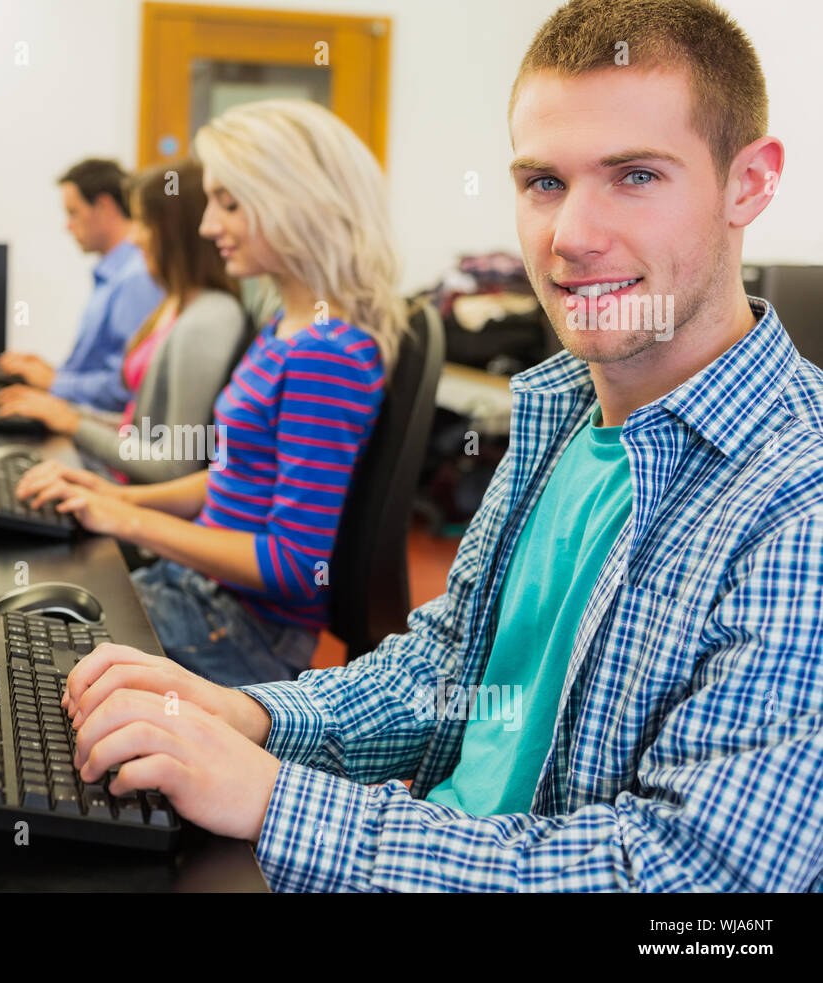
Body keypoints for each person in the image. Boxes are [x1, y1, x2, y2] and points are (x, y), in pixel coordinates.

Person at [57, 0, 823, 892]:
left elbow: (691, 887)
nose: (570, 235)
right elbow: (445, 670)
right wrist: (250, 717)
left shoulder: (798, 496)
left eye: (636, 176)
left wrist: (275, 801)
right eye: (542, 182)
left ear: (750, 183)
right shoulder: (565, 420)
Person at [19, 100, 409, 687]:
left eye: (229, 203)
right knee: (19, 621)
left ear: (295, 202)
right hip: (200, 596)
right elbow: (236, 473)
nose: (206, 226)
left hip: (242, 632)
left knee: (24, 657)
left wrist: (127, 523)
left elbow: (297, 565)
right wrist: (115, 499)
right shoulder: (285, 326)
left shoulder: (325, 353)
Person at [0, 158, 248, 483]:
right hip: (125, 484)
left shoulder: (207, 320)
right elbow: (142, 431)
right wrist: (66, 415)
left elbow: (174, 464)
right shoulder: (181, 308)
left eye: (144, 223)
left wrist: (74, 424)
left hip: (135, 493)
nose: (135, 238)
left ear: (173, 232)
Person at [0, 158, 164, 413]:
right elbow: (102, 366)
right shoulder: (113, 274)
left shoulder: (136, 278)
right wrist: (51, 373)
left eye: (73, 212)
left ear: (104, 206)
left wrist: (55, 383)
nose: (68, 225)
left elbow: (128, 386)